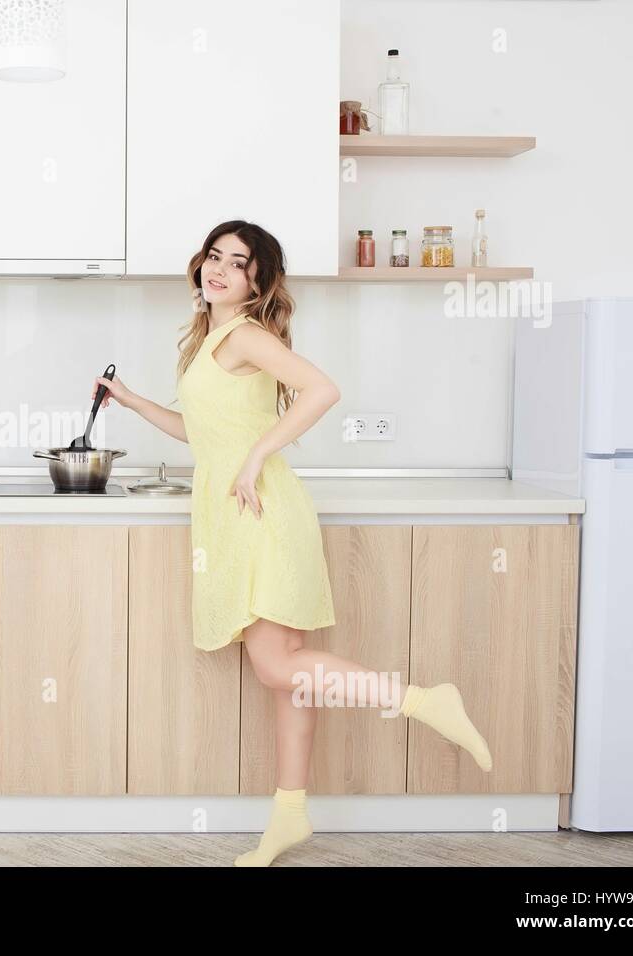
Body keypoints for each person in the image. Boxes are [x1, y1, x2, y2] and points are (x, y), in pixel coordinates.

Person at [93, 220, 493, 866]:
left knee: (278, 667)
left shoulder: (245, 335)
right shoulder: (212, 340)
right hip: (240, 516)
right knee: (291, 680)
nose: (220, 268)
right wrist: (134, 402)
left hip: (263, 514)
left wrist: (255, 458)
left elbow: (322, 390)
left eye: (239, 262)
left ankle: (422, 700)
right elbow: (205, 435)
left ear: (257, 281)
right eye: (214, 256)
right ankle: (290, 814)